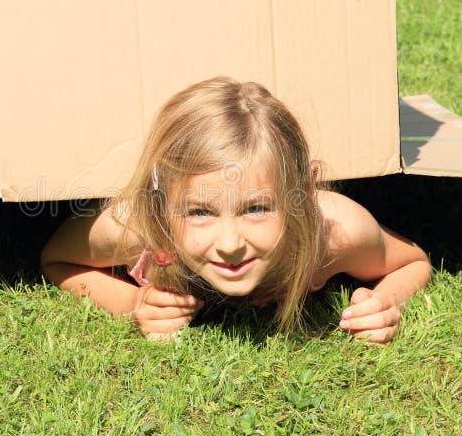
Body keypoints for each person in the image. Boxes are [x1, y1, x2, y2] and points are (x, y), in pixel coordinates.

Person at [40, 77, 430, 343]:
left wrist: (384, 303)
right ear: (161, 206)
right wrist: (132, 303)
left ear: (303, 194)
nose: (229, 243)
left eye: (256, 208)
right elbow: (57, 259)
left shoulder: (334, 233)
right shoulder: (137, 229)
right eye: (199, 213)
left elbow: (412, 263)